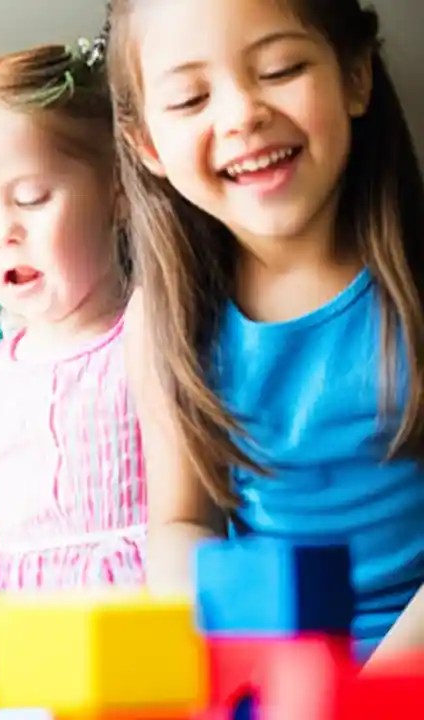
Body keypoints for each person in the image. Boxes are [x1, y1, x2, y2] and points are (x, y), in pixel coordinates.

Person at [109, 0, 424, 664]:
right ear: (148, 147)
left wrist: (365, 696)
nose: (241, 114)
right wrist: (237, 663)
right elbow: (181, 521)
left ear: (357, 77)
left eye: (279, 69)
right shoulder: (166, 319)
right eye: (191, 97)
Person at [0, 43, 145, 619]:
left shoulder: (152, 338)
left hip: (144, 625)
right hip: (20, 646)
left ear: (117, 192)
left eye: (30, 199)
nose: (3, 234)